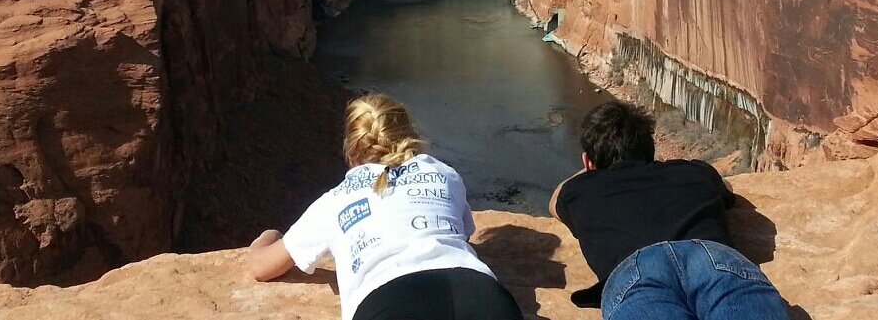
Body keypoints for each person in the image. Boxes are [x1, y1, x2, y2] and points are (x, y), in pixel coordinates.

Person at [248, 92, 523, 320]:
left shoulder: (334, 200)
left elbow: (262, 267)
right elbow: (462, 233)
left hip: (389, 302)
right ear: (409, 134)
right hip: (482, 296)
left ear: (351, 151)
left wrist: (269, 235)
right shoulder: (443, 173)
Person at [549, 99, 789, 320]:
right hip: (711, 257)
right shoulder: (694, 172)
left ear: (587, 162)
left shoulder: (578, 190)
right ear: (650, 151)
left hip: (636, 273)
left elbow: (554, 202)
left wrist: (590, 172)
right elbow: (726, 187)